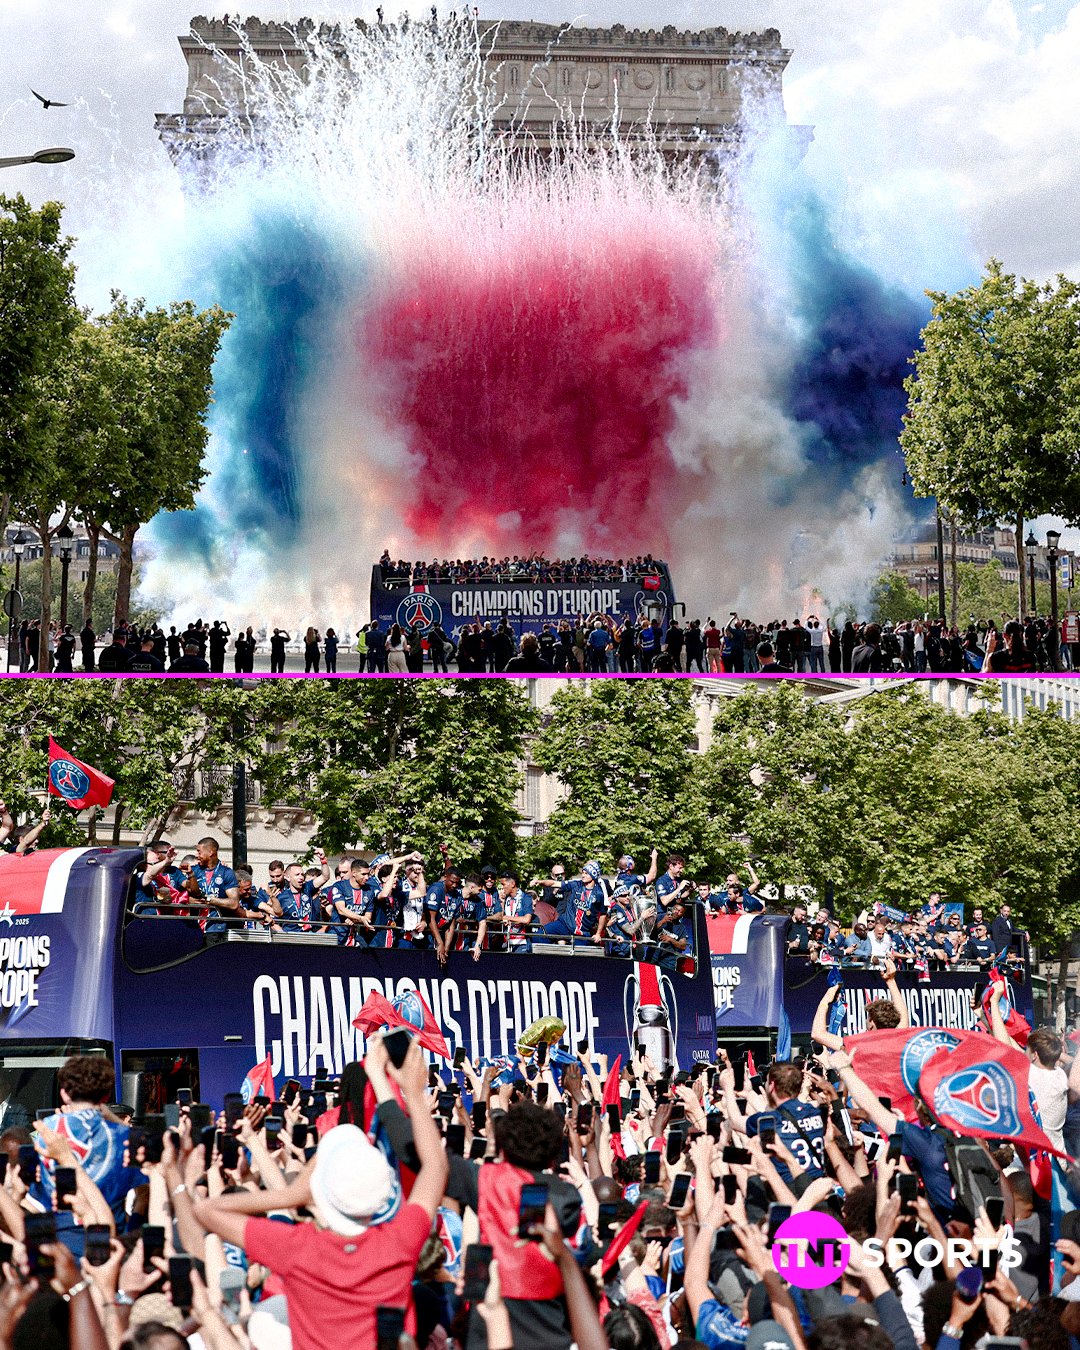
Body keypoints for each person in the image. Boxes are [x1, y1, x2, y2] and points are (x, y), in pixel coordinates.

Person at [194, 1034, 447, 1350]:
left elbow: (205, 1210)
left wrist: (290, 1195)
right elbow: (435, 1167)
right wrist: (411, 1090)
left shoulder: (298, 1247)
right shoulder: (400, 1241)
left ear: (320, 1193)